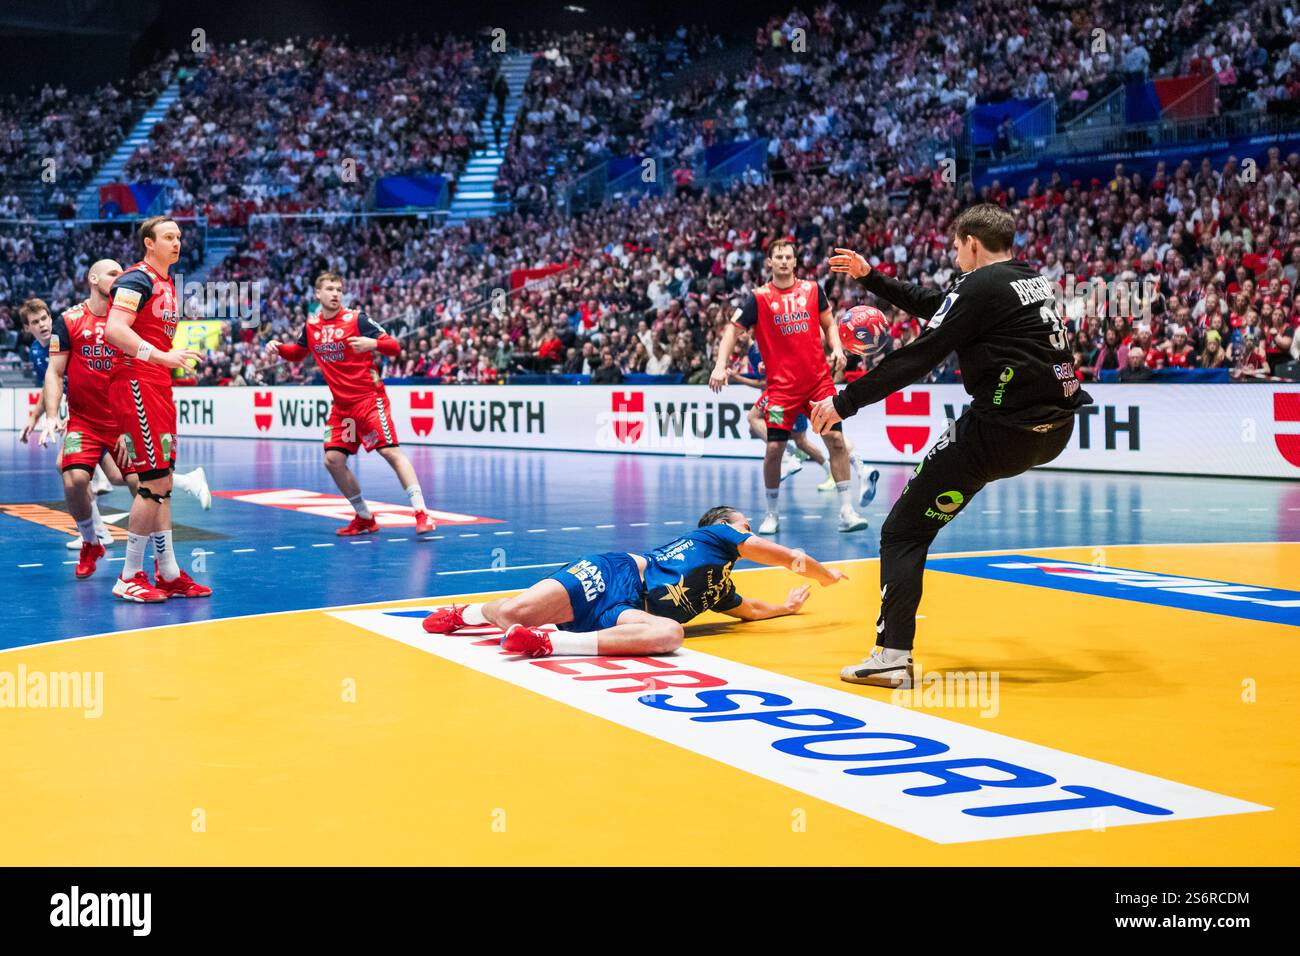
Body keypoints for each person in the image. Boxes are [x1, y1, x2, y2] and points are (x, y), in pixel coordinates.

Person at [814, 204, 1093, 688]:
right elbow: (944, 306)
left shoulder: (979, 286)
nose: (955, 255)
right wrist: (872, 278)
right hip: (1057, 430)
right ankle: (892, 653)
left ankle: (891, 658)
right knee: (918, 519)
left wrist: (845, 402)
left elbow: (918, 356)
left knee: (902, 533)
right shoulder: (1032, 280)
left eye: (957, 247)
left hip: (999, 434)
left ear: (972, 244)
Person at [421, 506, 847, 657]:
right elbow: (791, 558)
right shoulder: (719, 534)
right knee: (513, 612)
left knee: (671, 634)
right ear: (725, 526)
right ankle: (467, 614)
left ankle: (548, 643)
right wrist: (826, 575)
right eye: (745, 524)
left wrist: (786, 608)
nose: (750, 528)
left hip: (629, 613)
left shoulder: (721, 589)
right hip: (615, 573)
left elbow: (750, 610)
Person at [709, 239, 869, 535]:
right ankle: (772, 514)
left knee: (834, 441)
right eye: (778, 257)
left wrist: (836, 347)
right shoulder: (758, 298)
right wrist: (721, 365)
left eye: (788, 257)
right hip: (782, 387)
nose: (783, 261)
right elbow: (732, 330)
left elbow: (829, 324)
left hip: (819, 382)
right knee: (774, 449)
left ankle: (847, 510)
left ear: (795, 262)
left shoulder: (812, 290)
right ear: (770, 262)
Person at [264, 272, 435, 537]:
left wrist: (373, 343)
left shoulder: (357, 319)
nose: (335, 294)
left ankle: (422, 513)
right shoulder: (311, 327)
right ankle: (365, 517)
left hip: (369, 399)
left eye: (339, 289)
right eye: (330, 289)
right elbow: (298, 353)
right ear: (317, 295)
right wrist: (278, 347)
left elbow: (395, 347)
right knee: (332, 460)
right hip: (342, 407)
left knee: (390, 452)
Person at [104, 216, 212, 602]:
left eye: (179, 237)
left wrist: (164, 363)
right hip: (135, 381)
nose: (177, 242)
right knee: (151, 483)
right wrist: (163, 356)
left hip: (156, 386)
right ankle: (129, 574)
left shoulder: (167, 284)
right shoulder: (138, 279)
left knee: (163, 482)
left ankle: (167, 572)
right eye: (168, 236)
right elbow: (114, 329)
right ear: (149, 243)